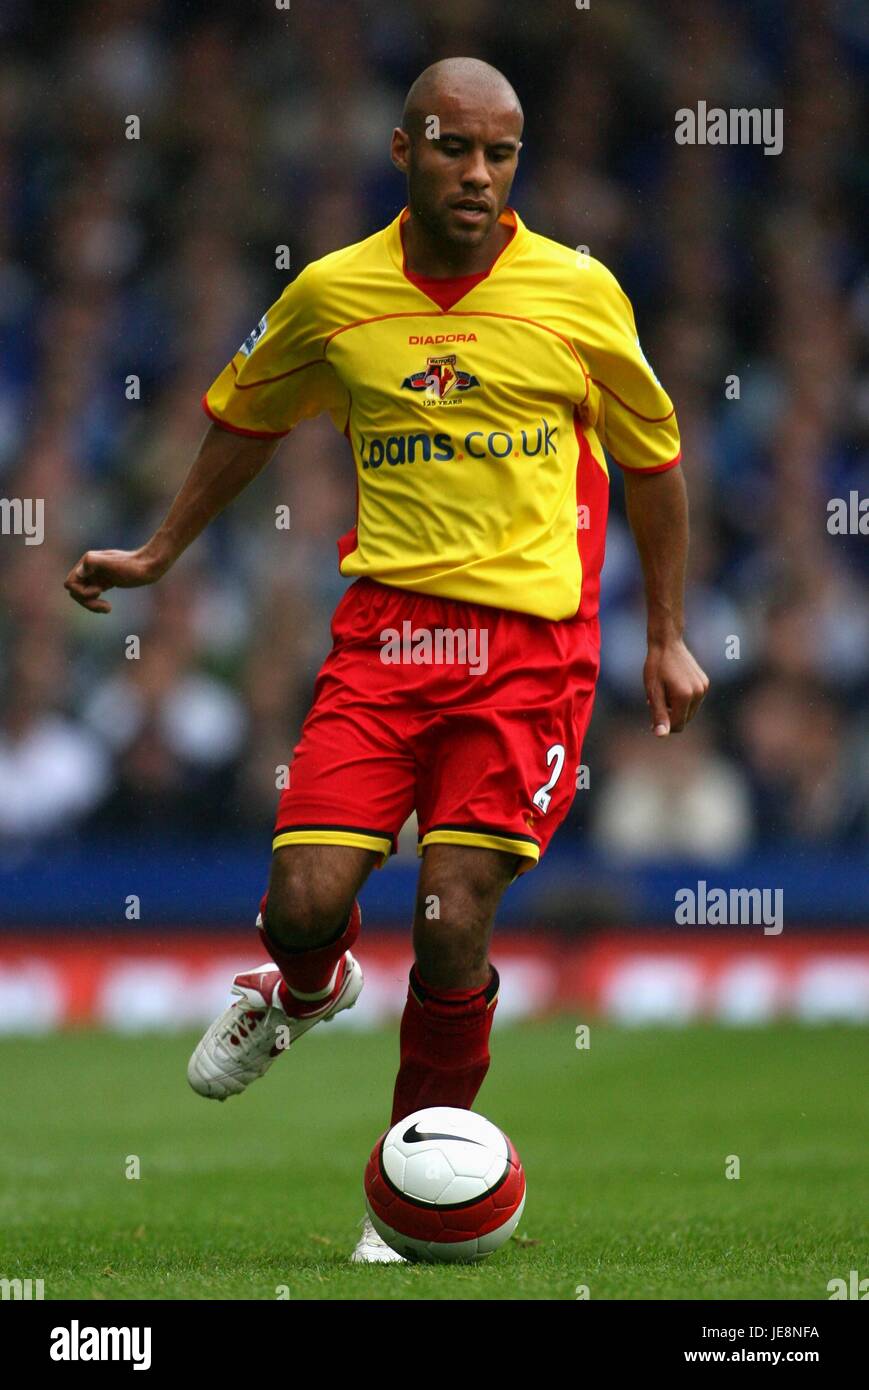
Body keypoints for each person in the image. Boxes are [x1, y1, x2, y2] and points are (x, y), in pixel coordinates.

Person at [64, 57, 709, 1262]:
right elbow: (243, 419)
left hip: (529, 657)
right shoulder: (329, 295)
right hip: (385, 642)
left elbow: (653, 460)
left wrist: (666, 634)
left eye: (501, 153)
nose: (478, 175)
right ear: (403, 149)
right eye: (455, 148)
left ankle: (418, 1183)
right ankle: (305, 985)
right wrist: (156, 553)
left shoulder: (576, 293)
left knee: (453, 911)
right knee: (304, 901)